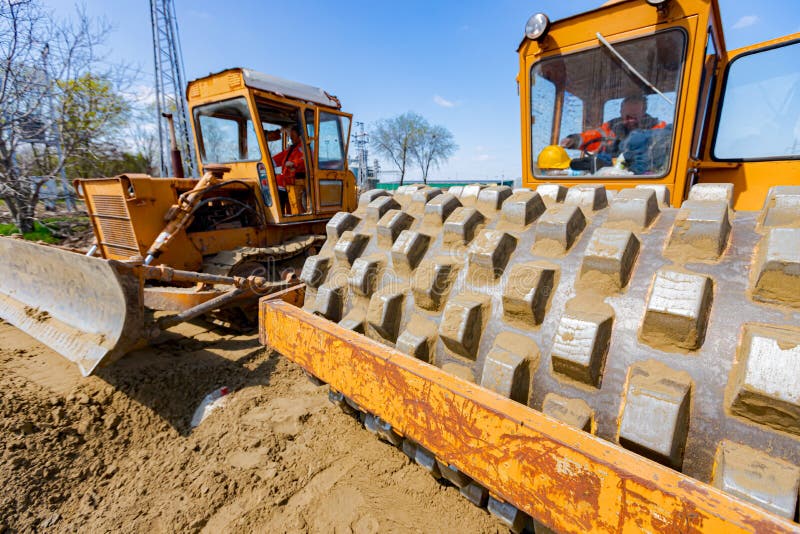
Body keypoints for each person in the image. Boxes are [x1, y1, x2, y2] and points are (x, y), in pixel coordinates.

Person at [559, 94, 666, 162]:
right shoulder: (612, 128)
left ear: (643, 113)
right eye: (627, 117)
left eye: (635, 117)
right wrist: (574, 140)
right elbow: (594, 136)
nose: (630, 121)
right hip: (611, 174)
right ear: (621, 112)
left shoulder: (657, 129)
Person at [270, 125, 305, 214]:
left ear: (300, 136)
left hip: (296, 180)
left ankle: (279, 212)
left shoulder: (304, 149)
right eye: (290, 136)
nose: (291, 139)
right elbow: (276, 159)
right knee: (275, 179)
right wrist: (268, 162)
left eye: (293, 136)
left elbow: (304, 160)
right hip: (287, 179)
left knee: (278, 180)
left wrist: (294, 163)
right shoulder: (290, 149)